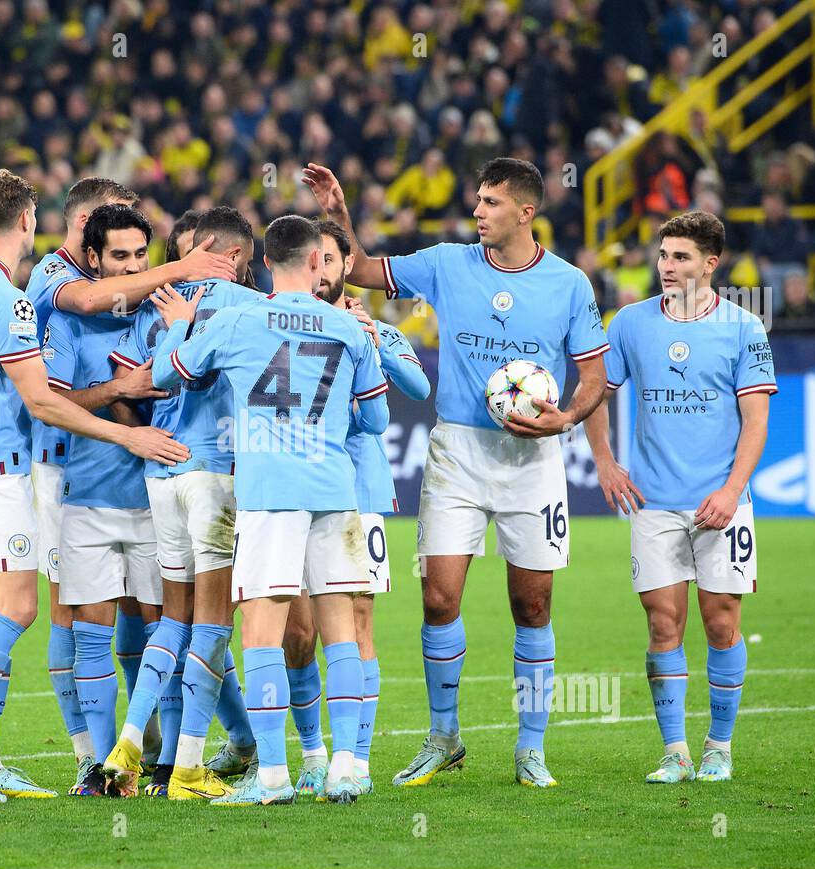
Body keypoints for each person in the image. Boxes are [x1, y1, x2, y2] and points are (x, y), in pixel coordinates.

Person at [303, 157, 609, 789]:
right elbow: (359, 270)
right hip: (458, 451)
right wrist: (339, 213)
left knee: (533, 604)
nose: (478, 210)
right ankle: (444, 735)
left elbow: (594, 376)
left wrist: (567, 418)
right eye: (477, 199)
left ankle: (531, 749)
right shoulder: (447, 263)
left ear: (526, 212)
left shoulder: (570, 285)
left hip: (532, 461)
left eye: (492, 202)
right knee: (439, 597)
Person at [0, 170, 188, 804]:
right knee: (23, 609)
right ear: (29, 219)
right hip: (3, 468)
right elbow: (44, 402)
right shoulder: (14, 298)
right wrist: (129, 432)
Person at [153, 214, 390, 805]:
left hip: (268, 494)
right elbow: (378, 420)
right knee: (341, 633)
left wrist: (181, 327)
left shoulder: (234, 319)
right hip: (335, 491)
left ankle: (275, 777)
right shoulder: (349, 327)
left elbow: (167, 376)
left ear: (263, 264)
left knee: (262, 631)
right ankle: (345, 768)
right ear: (317, 262)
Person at [583, 210, 776, 783]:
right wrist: (606, 462)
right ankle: (675, 752)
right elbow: (596, 394)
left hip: (723, 502)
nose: (666, 267)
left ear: (710, 264)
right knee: (663, 623)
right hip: (655, 503)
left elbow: (756, 421)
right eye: (663, 255)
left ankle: (719, 745)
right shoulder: (629, 323)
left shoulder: (745, 328)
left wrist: (732, 491)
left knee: (721, 623)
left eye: (681, 257)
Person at [101, 205, 265, 800]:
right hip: (214, 473)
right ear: (240, 256)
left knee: (174, 617)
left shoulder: (151, 301)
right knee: (214, 621)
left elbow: (136, 385)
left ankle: (125, 747)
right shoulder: (252, 308)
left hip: (158, 470)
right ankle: (190, 769)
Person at [24, 177, 176, 793]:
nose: (134, 268)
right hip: (84, 489)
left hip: (158, 496)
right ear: (93, 255)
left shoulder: (163, 314)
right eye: (120, 257)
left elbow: (178, 398)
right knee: (88, 626)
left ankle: (161, 757)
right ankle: (95, 763)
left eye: (142, 256)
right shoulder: (63, 310)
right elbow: (57, 403)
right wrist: (120, 392)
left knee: (164, 622)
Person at [280, 219, 430, 798]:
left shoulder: (373, 328)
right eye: (312, 260)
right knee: (298, 630)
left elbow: (417, 388)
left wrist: (370, 342)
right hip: (293, 487)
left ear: (346, 266)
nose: (321, 270)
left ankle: (356, 758)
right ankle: (313, 751)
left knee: (358, 619)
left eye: (331, 260)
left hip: (359, 490)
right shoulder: (282, 318)